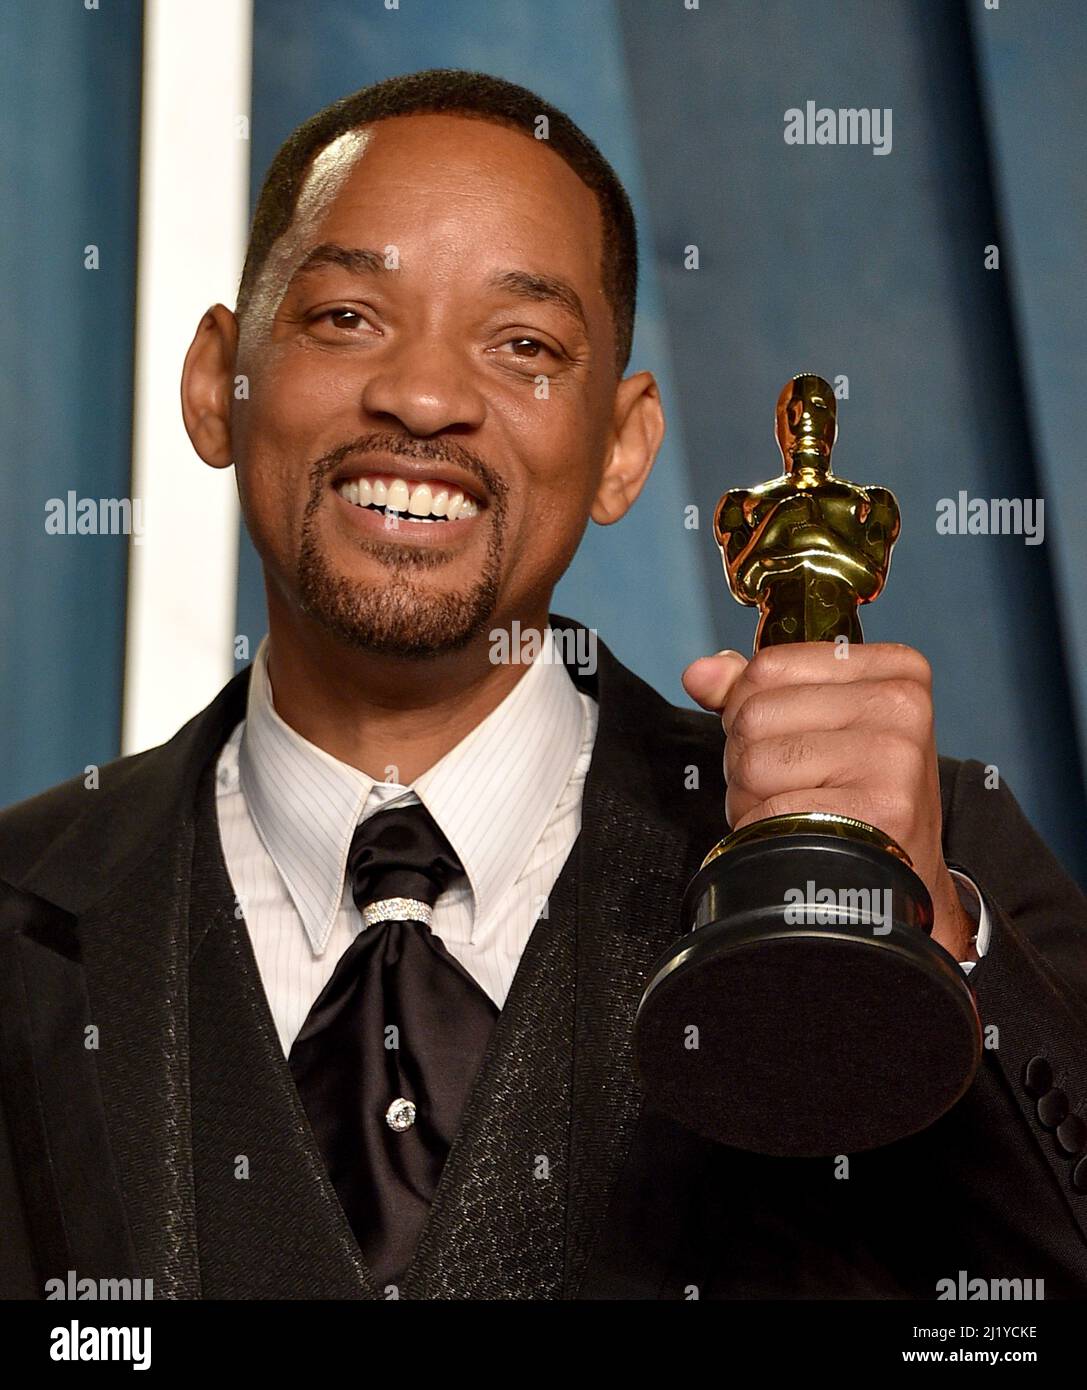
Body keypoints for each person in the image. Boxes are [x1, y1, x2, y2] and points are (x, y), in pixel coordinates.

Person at [1, 69, 1085, 1301]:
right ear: (215, 384)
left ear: (621, 449)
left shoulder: (941, 862)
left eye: (523, 345)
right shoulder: (18, 911)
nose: (422, 396)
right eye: (348, 315)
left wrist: (924, 940)